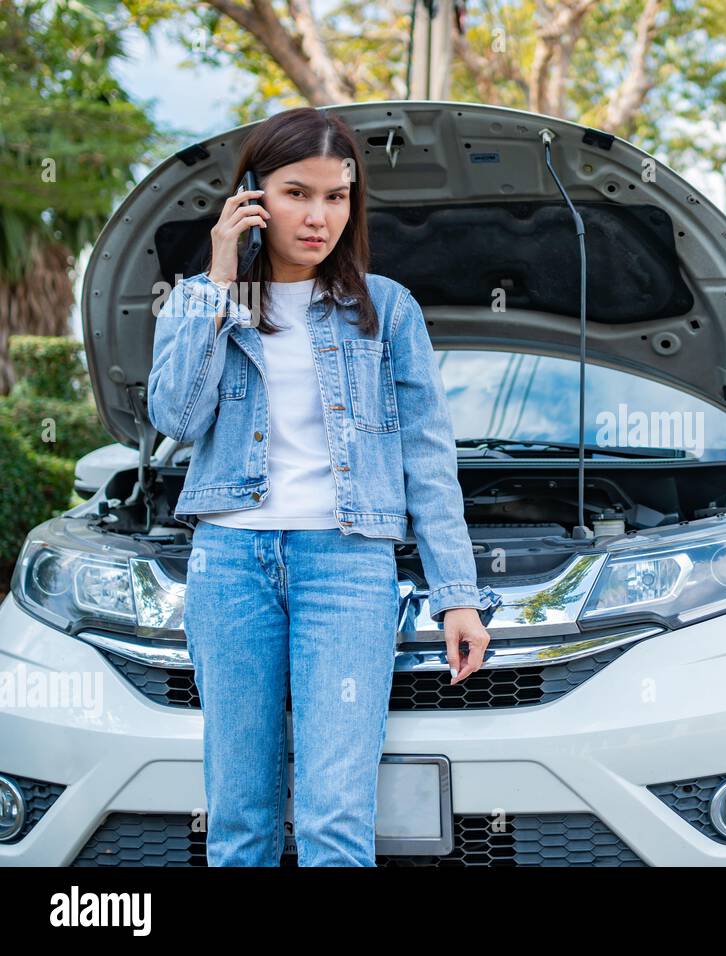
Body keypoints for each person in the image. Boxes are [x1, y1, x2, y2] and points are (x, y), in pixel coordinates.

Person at [147, 107, 497, 866]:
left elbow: (429, 459)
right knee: (239, 819)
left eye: (336, 196)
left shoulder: (385, 308)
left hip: (347, 566)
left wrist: (456, 593)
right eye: (296, 192)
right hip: (230, 565)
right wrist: (217, 280)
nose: (318, 215)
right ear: (252, 197)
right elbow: (175, 414)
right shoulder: (212, 303)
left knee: (336, 820)